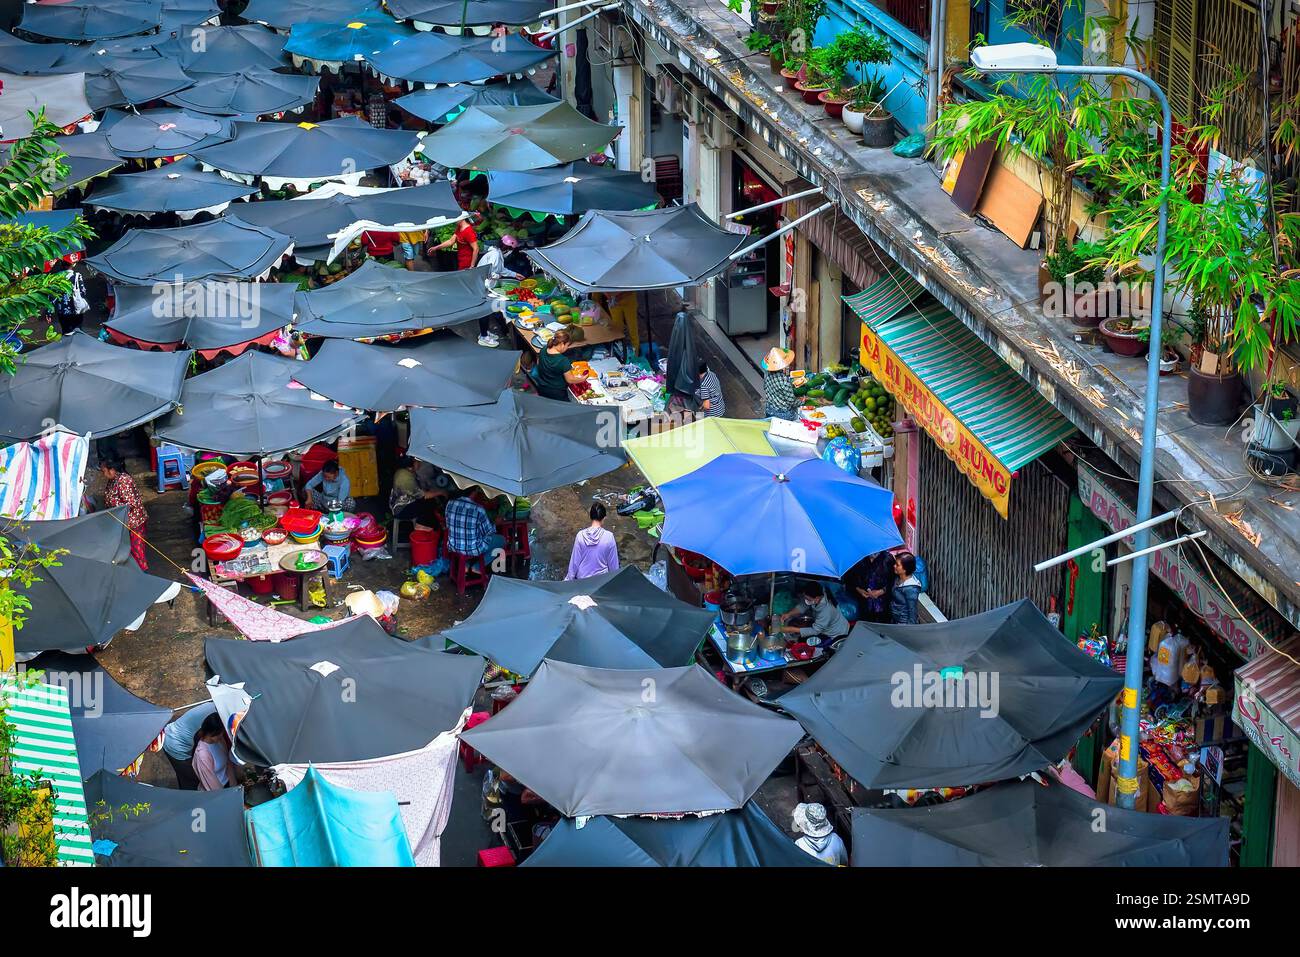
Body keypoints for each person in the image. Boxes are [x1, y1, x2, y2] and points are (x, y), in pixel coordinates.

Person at [100, 455, 149, 571]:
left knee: (138, 553)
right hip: (123, 523)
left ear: (111, 470)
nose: (103, 474)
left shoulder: (123, 481)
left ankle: (143, 575)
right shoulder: (113, 480)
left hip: (134, 523)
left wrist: (114, 506)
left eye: (104, 471)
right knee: (130, 551)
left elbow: (130, 504)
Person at [161, 701, 217, 790]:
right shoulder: (216, 718)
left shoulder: (213, 705)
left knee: (184, 775)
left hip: (171, 733)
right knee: (192, 779)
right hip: (175, 745)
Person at [777, 581, 850, 645]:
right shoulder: (819, 592)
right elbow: (803, 605)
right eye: (805, 598)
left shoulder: (826, 610)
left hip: (835, 634)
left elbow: (815, 631)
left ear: (817, 598)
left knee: (806, 642)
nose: (806, 600)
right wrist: (788, 614)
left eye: (808, 599)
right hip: (824, 624)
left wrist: (791, 629)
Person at [445, 493, 505, 566]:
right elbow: (489, 531)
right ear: (473, 493)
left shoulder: (450, 503)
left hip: (453, 546)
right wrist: (495, 524)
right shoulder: (478, 509)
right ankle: (477, 567)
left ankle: (466, 565)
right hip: (473, 549)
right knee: (501, 540)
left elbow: (448, 525)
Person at [565, 502, 619, 580]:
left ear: (590, 516)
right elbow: (614, 567)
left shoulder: (580, 535)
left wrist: (568, 581)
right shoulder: (609, 537)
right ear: (604, 518)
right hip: (601, 581)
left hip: (582, 580)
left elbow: (574, 563)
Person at [390, 455, 444, 529]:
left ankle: (427, 525)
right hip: (401, 509)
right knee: (430, 504)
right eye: (417, 462)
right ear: (411, 463)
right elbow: (422, 496)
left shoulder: (408, 472)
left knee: (431, 502)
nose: (419, 463)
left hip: (407, 503)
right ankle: (422, 526)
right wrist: (441, 492)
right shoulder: (404, 477)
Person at [192, 712, 239, 791]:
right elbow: (211, 784)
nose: (222, 735)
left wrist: (233, 785)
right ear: (212, 733)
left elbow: (228, 763)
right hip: (216, 790)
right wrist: (226, 795)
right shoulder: (202, 755)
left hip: (227, 784)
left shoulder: (219, 740)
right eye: (220, 733)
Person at [848, 551, 894, 624]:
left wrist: (881, 591)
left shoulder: (888, 559)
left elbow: (894, 580)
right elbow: (850, 578)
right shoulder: (858, 558)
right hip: (863, 603)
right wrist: (858, 589)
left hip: (883, 605)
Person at [532, 327, 576, 401]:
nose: (567, 348)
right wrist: (583, 378)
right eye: (567, 345)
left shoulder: (544, 349)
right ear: (562, 344)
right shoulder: (563, 360)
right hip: (557, 392)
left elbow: (539, 364)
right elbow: (570, 380)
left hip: (542, 387)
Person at [760, 346, 798, 420]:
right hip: (783, 415)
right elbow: (791, 401)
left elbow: (765, 387)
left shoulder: (767, 373)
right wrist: (803, 401)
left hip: (769, 411)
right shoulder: (784, 380)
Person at [890, 551, 924, 624]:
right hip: (895, 620)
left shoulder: (911, 589)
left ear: (905, 569)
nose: (894, 566)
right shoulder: (898, 578)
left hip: (903, 624)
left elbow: (912, 612)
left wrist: (909, 630)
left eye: (897, 565)